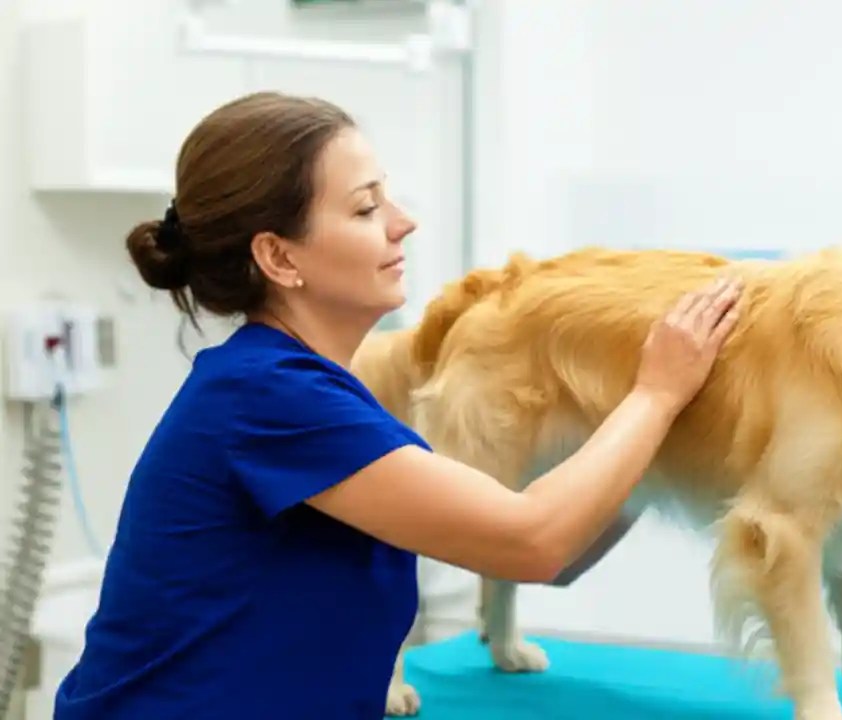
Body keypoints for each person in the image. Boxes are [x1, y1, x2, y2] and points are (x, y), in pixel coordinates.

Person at [52, 91, 743, 719]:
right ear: (279, 258)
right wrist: (654, 395)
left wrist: (659, 432)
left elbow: (550, 557)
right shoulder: (269, 398)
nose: (403, 223)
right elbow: (531, 542)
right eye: (365, 209)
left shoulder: (304, 390)